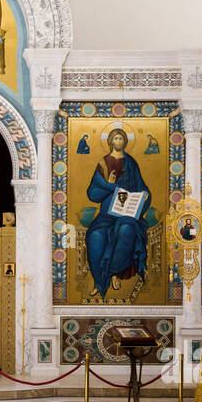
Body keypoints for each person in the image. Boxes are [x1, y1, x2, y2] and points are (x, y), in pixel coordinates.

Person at [84, 128, 152, 299]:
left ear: (125, 142)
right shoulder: (103, 164)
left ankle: (114, 272)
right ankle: (100, 282)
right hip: (106, 215)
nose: (119, 142)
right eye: (116, 139)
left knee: (125, 230)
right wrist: (109, 185)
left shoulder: (131, 163)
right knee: (96, 236)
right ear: (110, 142)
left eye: (121, 139)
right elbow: (93, 194)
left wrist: (144, 195)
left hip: (127, 214)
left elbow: (141, 187)